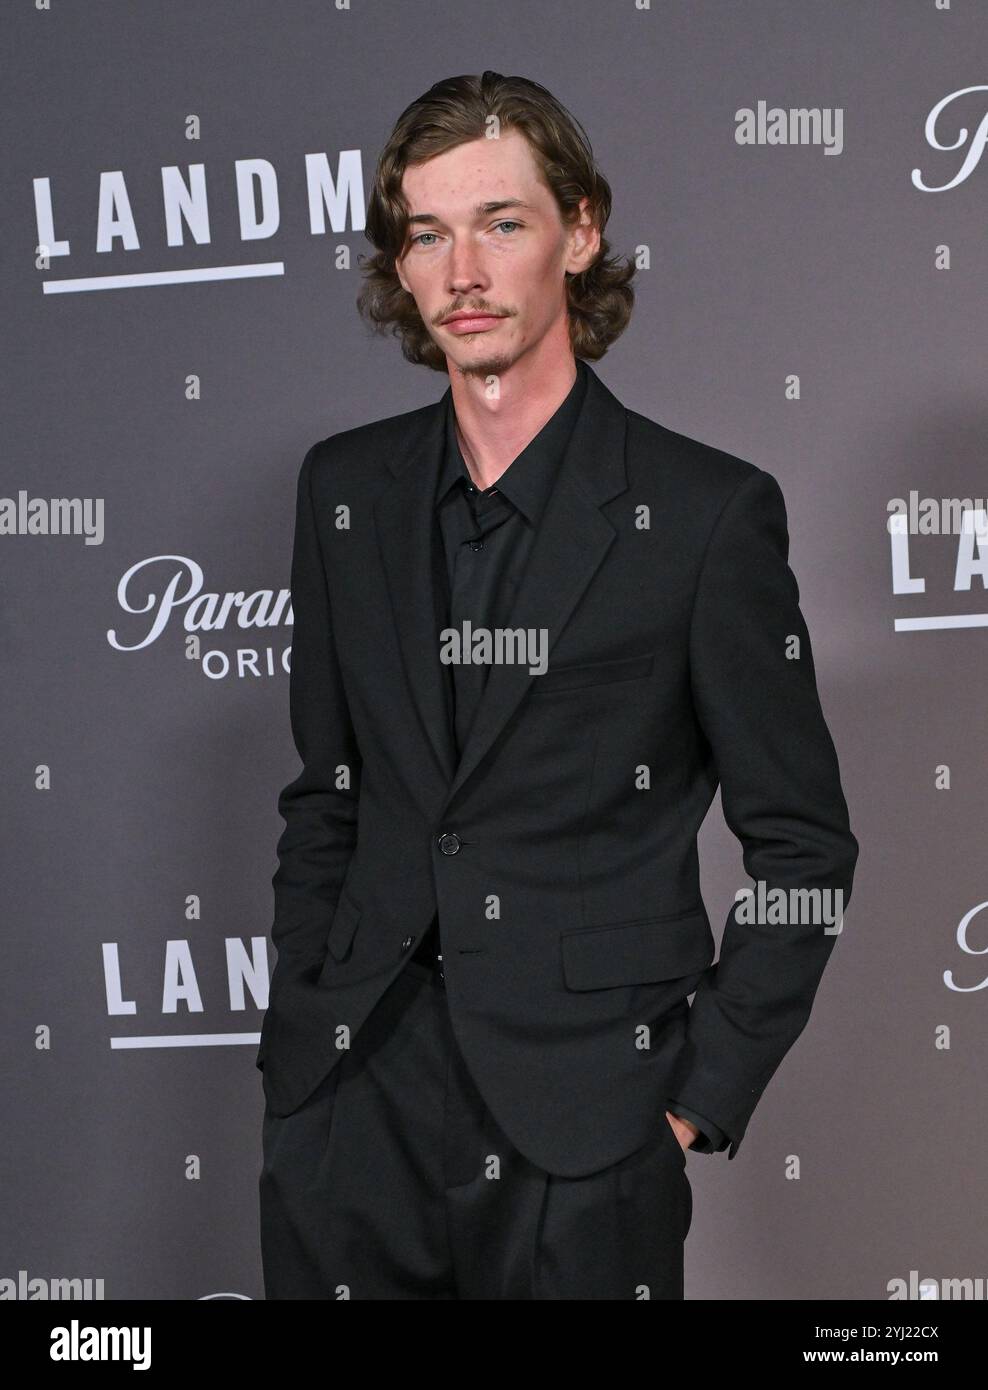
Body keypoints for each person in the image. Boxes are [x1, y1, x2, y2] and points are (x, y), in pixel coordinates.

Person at [256, 70, 858, 1300]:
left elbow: (802, 848)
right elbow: (327, 794)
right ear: (401, 265)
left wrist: (690, 1104)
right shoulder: (345, 494)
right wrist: (299, 1049)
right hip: (351, 1109)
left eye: (501, 223)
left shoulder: (702, 516)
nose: (462, 271)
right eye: (427, 234)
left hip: (586, 1131)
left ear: (582, 233)